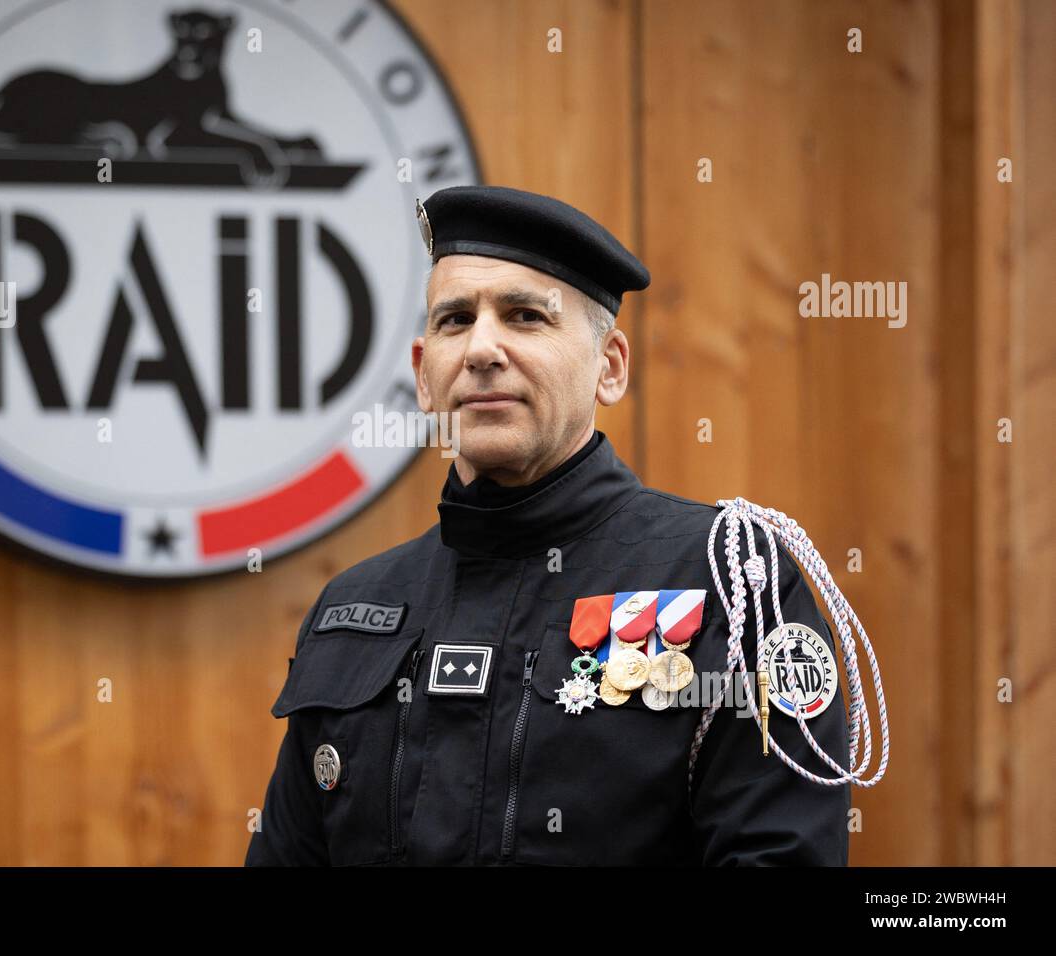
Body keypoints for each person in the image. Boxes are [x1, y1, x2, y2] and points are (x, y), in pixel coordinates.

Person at [245, 184, 851, 866]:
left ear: (610, 368)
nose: (481, 349)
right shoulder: (355, 610)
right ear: (423, 375)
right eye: (453, 320)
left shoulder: (732, 584)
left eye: (525, 316)